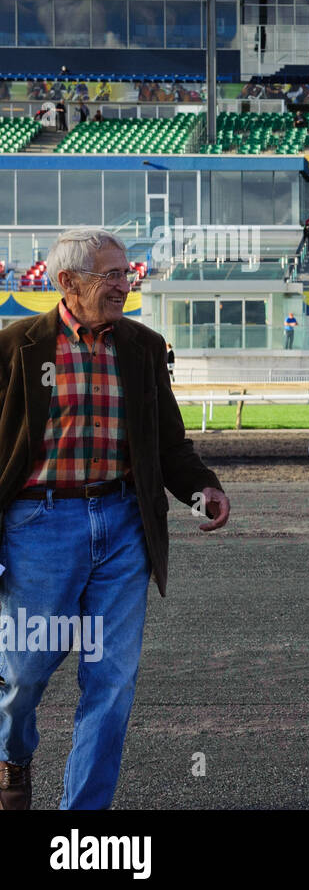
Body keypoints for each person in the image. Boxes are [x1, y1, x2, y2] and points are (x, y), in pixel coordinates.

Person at [0, 228, 229, 810]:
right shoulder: (15, 347)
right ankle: (13, 757)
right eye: (110, 275)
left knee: (111, 685)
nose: (124, 285)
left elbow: (169, 445)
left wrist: (203, 488)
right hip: (38, 527)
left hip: (125, 527)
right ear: (67, 282)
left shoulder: (144, 347)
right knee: (23, 675)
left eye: (127, 274)